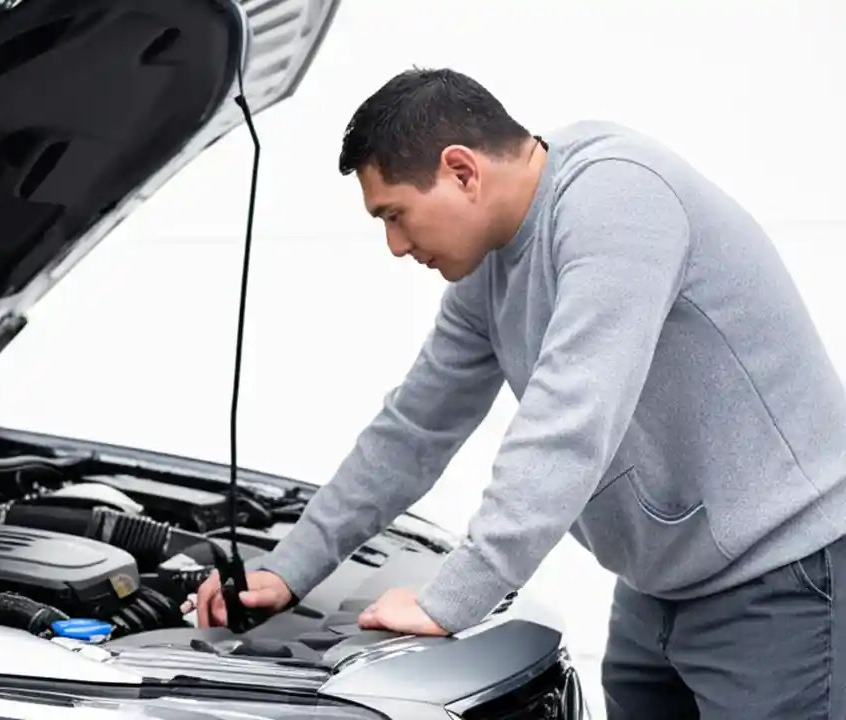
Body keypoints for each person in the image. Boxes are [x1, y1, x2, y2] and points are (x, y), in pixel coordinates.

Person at [192, 67, 846, 718]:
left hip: (780, 580)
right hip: (659, 589)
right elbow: (413, 428)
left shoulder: (617, 199)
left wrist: (451, 598)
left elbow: (570, 421)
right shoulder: (490, 266)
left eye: (395, 215)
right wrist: (289, 567)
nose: (394, 245)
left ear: (461, 171)